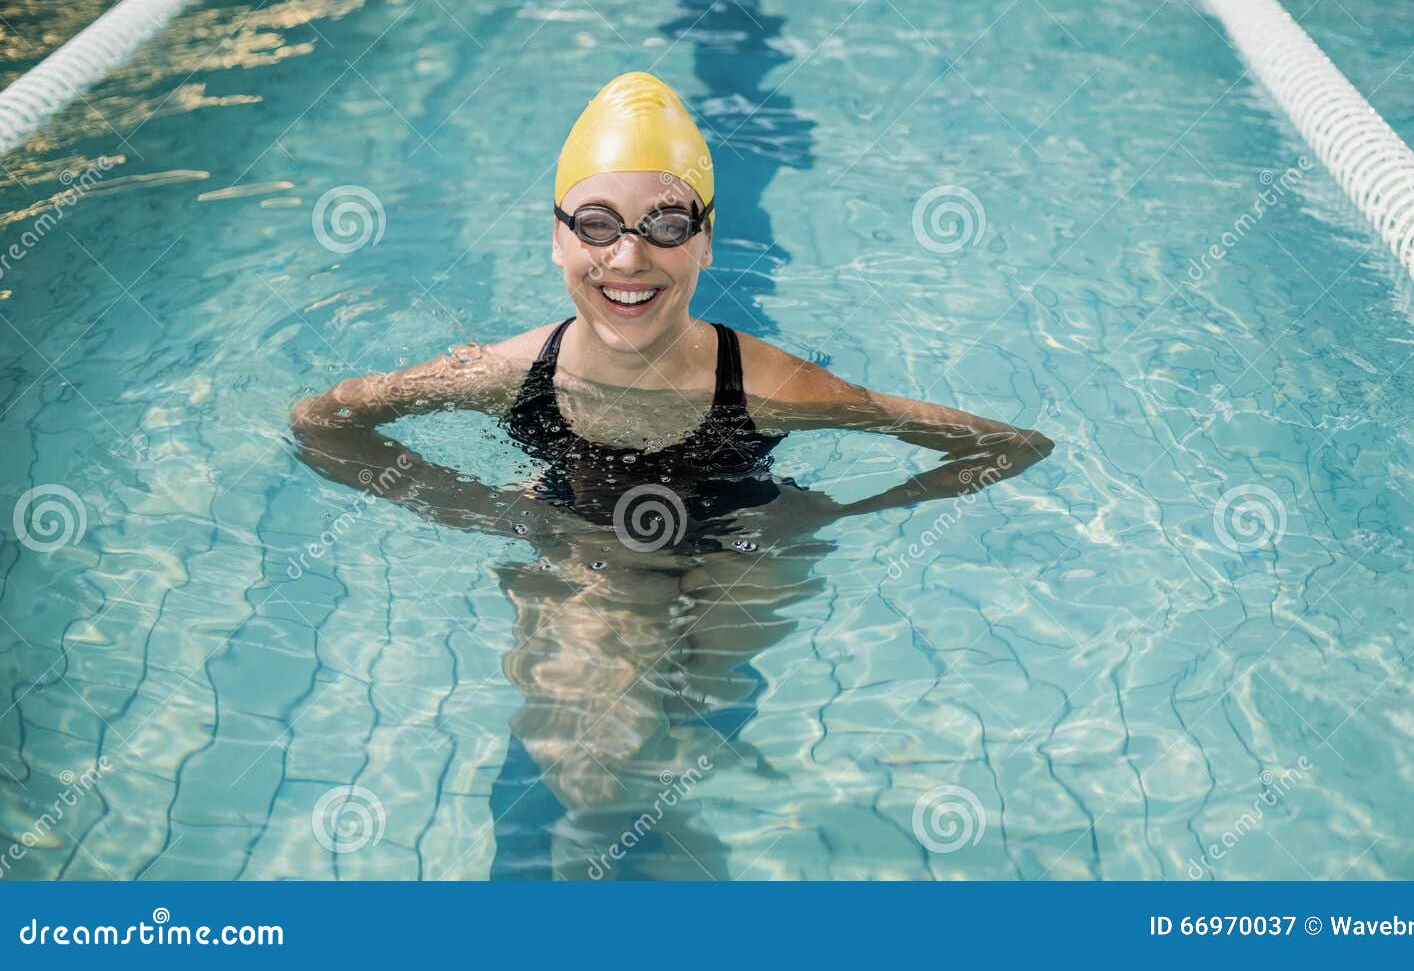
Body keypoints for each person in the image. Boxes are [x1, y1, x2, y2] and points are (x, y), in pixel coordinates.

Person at [290, 70, 1052, 876]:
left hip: (743, 547)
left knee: (698, 710)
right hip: (587, 544)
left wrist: (833, 514)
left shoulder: (769, 384)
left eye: (665, 223)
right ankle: (607, 852)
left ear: (706, 240)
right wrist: (493, 513)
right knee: (596, 763)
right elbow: (323, 424)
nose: (628, 257)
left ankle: (684, 855)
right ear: (556, 239)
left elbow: (1011, 446)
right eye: (596, 224)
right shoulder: (505, 371)